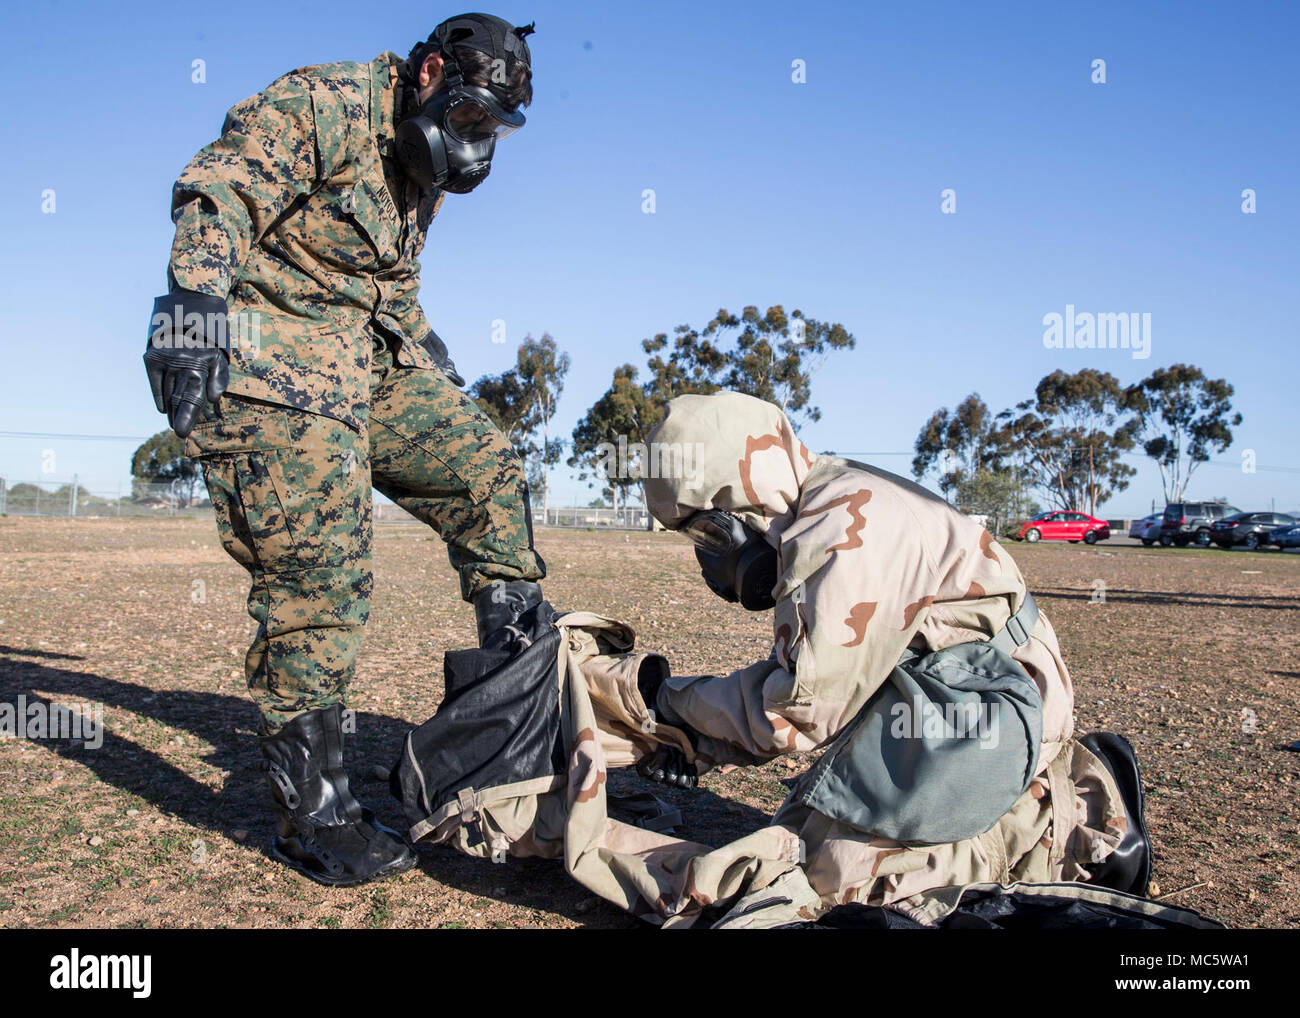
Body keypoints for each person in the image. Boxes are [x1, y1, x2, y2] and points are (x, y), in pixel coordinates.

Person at [142, 13, 547, 887]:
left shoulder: (420, 174)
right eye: (472, 118)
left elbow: (389, 282)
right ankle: (313, 808)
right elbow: (222, 190)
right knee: (324, 566)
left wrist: (430, 354)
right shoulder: (324, 102)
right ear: (432, 71)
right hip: (265, 359)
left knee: (485, 466)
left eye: (495, 132)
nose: (478, 147)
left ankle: (514, 725)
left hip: (363, 360)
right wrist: (192, 306)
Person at [637, 391, 1151, 908]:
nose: (708, 559)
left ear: (748, 495)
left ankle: (1081, 827)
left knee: (838, 880)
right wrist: (695, 743)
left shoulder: (841, 526)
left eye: (707, 531)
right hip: (940, 685)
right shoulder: (815, 506)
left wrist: (671, 707)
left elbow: (800, 708)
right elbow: (813, 676)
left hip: (993, 697)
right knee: (796, 827)